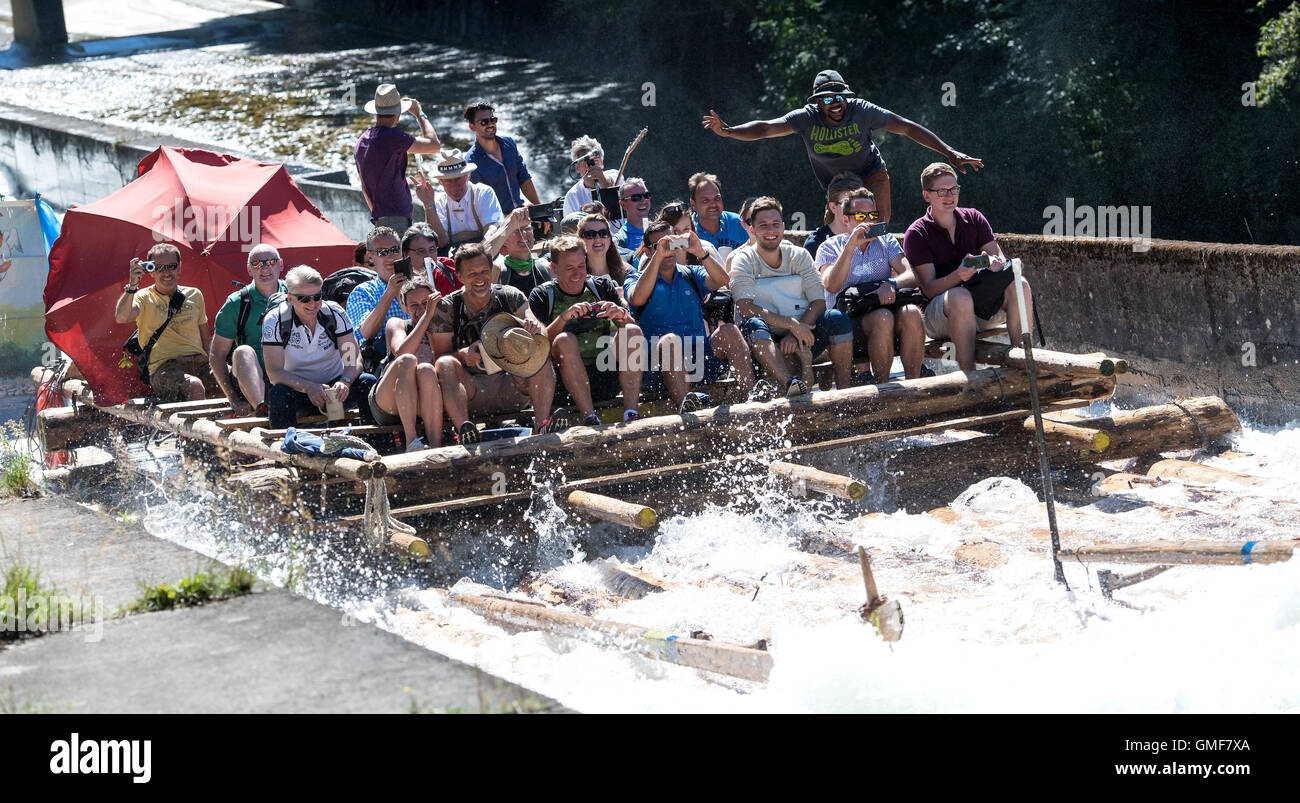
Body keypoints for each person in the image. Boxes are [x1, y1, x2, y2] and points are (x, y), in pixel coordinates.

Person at [701, 69, 983, 223]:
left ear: (847, 97)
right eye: (826, 100)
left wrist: (950, 152)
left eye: (840, 98)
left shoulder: (862, 110)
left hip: (870, 172)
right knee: (839, 227)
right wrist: (728, 131)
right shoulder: (806, 118)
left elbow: (907, 127)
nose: (835, 105)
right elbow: (765, 128)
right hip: (836, 184)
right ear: (816, 103)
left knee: (877, 225)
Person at [903, 163, 1032, 371]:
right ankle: (970, 377)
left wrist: (994, 263)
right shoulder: (917, 233)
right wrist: (958, 276)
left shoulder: (974, 218)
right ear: (927, 195)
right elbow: (928, 289)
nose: (950, 196)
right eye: (942, 191)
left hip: (983, 306)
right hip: (939, 316)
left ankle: (1024, 365)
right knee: (959, 297)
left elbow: (1000, 259)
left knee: (1021, 285)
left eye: (954, 189)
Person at [431, 243, 558, 442]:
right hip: (471, 391)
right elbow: (439, 357)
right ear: (460, 276)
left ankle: (542, 425)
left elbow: (537, 326)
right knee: (445, 364)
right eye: (472, 274)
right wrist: (463, 355)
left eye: (484, 271)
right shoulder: (446, 308)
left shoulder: (509, 295)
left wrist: (533, 328)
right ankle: (464, 433)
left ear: (492, 270)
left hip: (513, 385)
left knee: (540, 351)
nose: (480, 278)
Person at [625, 220, 756, 412]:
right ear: (647, 252)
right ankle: (686, 407)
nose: (667, 251)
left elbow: (722, 280)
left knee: (729, 331)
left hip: (699, 359)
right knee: (670, 341)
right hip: (659, 366)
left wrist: (700, 252)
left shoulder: (691, 273)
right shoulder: (635, 278)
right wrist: (657, 257)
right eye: (658, 246)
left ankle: (751, 397)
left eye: (670, 244)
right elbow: (637, 298)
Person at [730, 197, 854, 395]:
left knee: (837, 319)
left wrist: (796, 332)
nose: (771, 230)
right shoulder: (743, 259)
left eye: (775, 224)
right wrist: (791, 325)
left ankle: (845, 392)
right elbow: (745, 307)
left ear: (783, 226)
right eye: (763, 225)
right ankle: (791, 384)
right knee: (752, 323)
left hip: (804, 335)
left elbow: (819, 302)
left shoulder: (799, 255)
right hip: (763, 341)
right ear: (752, 229)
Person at [530, 237, 644, 427]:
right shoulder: (542, 295)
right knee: (565, 339)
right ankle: (589, 417)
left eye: (581, 266)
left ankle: (631, 412)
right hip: (564, 383)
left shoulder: (601, 286)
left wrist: (619, 315)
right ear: (554, 268)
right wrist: (563, 318)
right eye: (569, 268)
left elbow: (636, 330)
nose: (577, 274)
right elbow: (538, 344)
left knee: (631, 330)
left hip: (606, 373)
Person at [817, 187, 925, 383]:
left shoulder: (886, 241)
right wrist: (850, 247)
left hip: (884, 314)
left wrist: (890, 283)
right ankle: (882, 388)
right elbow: (831, 285)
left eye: (872, 215)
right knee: (882, 317)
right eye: (860, 215)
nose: (868, 221)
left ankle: (914, 387)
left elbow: (911, 275)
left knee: (912, 313)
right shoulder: (829, 247)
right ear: (846, 219)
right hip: (846, 323)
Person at [262, 266, 375, 429]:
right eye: (304, 299)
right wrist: (308, 387)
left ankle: (379, 443)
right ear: (290, 299)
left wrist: (346, 381)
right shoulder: (275, 320)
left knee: (367, 382)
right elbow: (274, 373)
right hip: (298, 392)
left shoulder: (335, 313)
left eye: (317, 297)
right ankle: (285, 448)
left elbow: (354, 359)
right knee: (278, 393)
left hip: (336, 391)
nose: (313, 304)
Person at [115, 243, 217, 402]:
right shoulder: (143, 296)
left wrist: (219, 369)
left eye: (172, 266)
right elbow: (121, 317)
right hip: (164, 369)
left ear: (179, 267)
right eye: (160, 267)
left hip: (200, 363)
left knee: (234, 379)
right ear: (150, 271)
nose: (167, 273)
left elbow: (206, 340)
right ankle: (201, 426)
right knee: (194, 386)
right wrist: (132, 286)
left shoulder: (195, 294)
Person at [209, 243, 288, 416]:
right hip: (251, 379)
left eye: (271, 262)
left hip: (289, 377)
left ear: (281, 265)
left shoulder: (296, 295)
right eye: (257, 264)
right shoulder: (236, 304)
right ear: (249, 269)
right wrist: (233, 399)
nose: (265, 268)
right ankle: (261, 410)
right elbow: (217, 356)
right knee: (242, 351)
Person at [370, 274, 444, 450]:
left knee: (426, 369)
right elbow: (402, 352)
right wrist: (427, 317)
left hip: (424, 401)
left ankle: (436, 446)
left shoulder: (442, 327)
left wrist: (433, 324)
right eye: (414, 306)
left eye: (426, 304)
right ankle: (412, 441)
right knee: (408, 360)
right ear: (405, 307)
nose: (420, 310)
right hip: (389, 401)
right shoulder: (397, 323)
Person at [355, 83, 441, 232]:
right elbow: (434, 145)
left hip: (379, 219)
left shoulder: (362, 140)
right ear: (398, 113)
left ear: (376, 112)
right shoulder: (393, 136)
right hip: (397, 218)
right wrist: (419, 113)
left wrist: (379, 216)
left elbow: (364, 187)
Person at [415, 148, 503, 255]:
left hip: (485, 251)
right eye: (448, 181)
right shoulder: (438, 201)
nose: (454, 186)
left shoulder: (483, 193)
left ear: (468, 176)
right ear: (440, 181)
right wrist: (429, 204)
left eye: (458, 179)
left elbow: (492, 229)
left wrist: (477, 255)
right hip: (454, 257)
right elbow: (440, 242)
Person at [346, 226, 409, 368]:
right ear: (370, 257)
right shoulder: (362, 292)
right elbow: (365, 334)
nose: (391, 257)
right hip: (384, 362)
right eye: (382, 252)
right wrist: (389, 293)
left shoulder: (417, 285)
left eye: (394, 250)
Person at [464, 101, 539, 213]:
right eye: (484, 122)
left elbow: (524, 178)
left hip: (520, 211)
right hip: (497, 220)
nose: (490, 124)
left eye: (493, 119)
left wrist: (540, 209)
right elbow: (479, 203)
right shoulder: (471, 161)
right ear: (472, 127)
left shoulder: (509, 143)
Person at [486, 205, 553, 296]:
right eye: (517, 230)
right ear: (504, 241)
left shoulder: (547, 267)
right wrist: (509, 225)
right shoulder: (497, 271)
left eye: (527, 228)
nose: (524, 233)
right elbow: (477, 260)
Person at [687, 172, 748, 260]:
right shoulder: (686, 229)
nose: (713, 204)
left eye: (717, 199)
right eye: (705, 201)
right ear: (693, 204)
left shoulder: (739, 223)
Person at [804, 172, 865, 258]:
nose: (854, 209)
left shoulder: (871, 237)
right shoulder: (815, 243)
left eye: (858, 204)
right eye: (846, 204)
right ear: (833, 207)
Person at [401, 223, 460, 296]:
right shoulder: (398, 281)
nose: (428, 256)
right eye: (421, 251)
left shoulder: (448, 266)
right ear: (405, 253)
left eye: (432, 249)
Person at [563, 135, 616, 216]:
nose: (590, 165)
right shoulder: (572, 196)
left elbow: (610, 183)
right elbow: (569, 227)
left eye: (594, 159)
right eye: (585, 160)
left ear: (602, 163)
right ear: (577, 168)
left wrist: (601, 179)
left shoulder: (616, 175)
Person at [577, 212, 629, 293]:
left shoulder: (627, 272)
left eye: (603, 233)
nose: (598, 239)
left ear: (609, 238)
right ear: (581, 239)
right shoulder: (575, 275)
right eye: (590, 234)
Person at [613, 177, 652, 252]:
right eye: (636, 197)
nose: (643, 200)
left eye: (646, 195)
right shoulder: (618, 241)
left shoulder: (664, 230)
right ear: (623, 205)